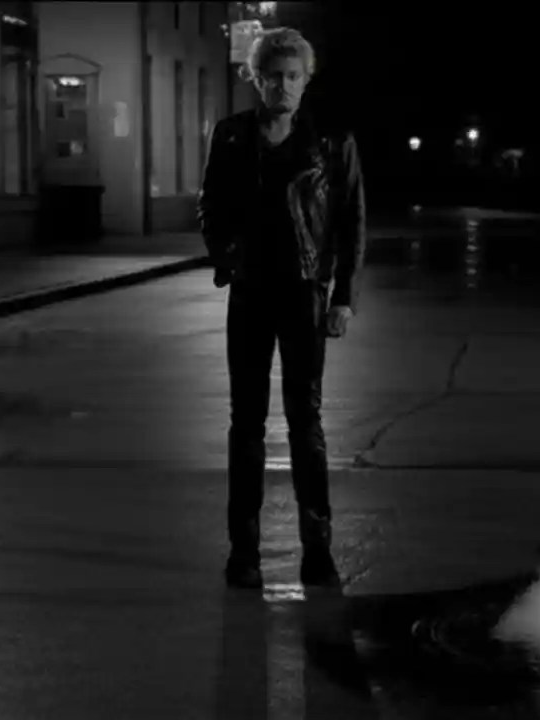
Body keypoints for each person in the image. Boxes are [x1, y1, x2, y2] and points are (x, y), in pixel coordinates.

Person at [197, 27, 367, 590]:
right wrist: (226, 255)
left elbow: (351, 223)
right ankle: (243, 552)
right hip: (249, 294)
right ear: (256, 79)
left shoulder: (331, 143)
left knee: (305, 422)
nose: (284, 86)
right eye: (273, 76)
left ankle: (317, 548)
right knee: (245, 425)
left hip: (303, 295)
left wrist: (342, 296)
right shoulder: (230, 137)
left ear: (305, 80)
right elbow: (211, 206)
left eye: (293, 77)